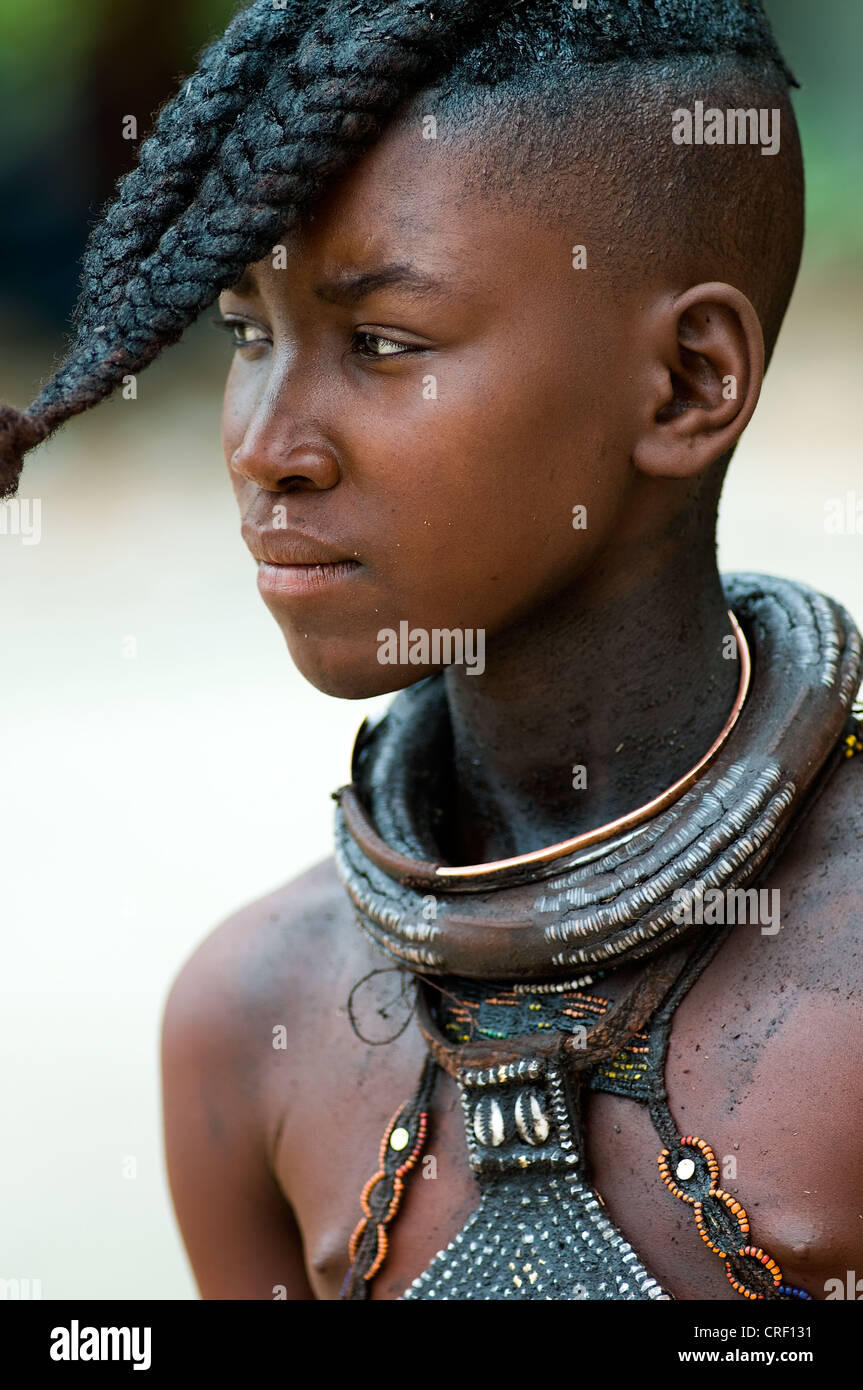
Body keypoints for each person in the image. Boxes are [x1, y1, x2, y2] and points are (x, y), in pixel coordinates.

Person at [4, 0, 861, 1301]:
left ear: (690, 382)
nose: (264, 442)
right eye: (248, 334)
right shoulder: (249, 1025)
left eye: (381, 344)